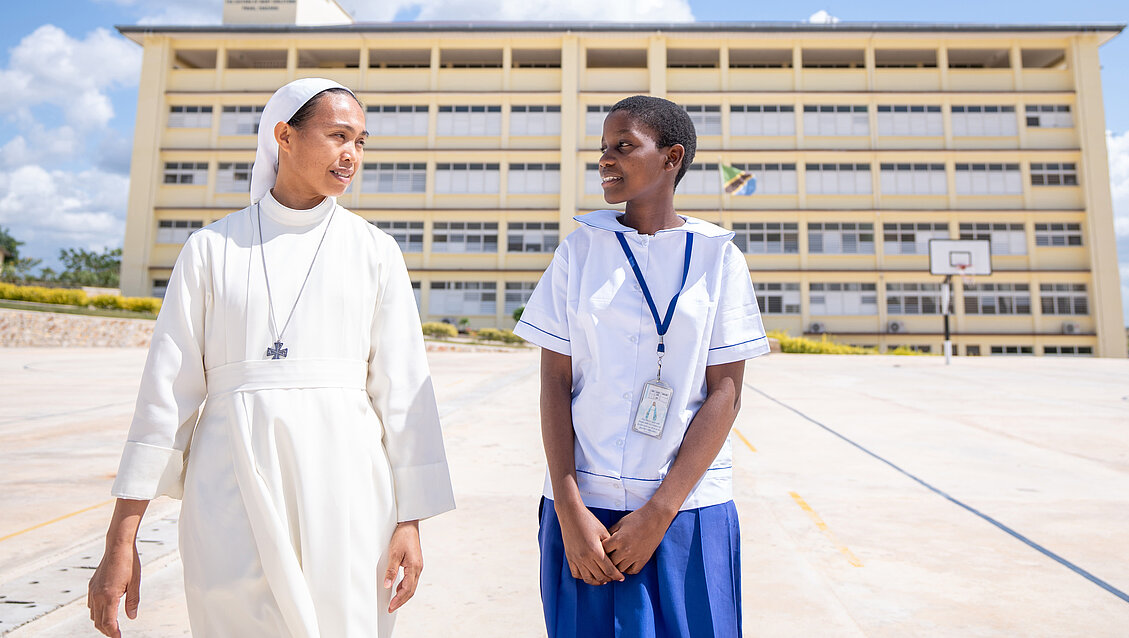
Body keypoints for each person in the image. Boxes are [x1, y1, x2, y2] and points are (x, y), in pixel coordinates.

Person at [87, 78, 455, 638]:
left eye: (360, 141)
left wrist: (411, 522)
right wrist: (121, 540)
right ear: (284, 136)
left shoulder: (376, 252)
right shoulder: (211, 249)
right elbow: (164, 399)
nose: (352, 154)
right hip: (228, 487)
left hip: (349, 492)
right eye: (338, 136)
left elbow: (405, 395)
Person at [513, 95, 770, 638]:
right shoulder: (579, 252)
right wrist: (569, 511)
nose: (605, 159)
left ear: (672, 157)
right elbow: (555, 383)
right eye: (604, 147)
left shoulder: (719, 258)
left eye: (624, 146)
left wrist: (659, 513)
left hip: (686, 511)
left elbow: (725, 393)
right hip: (585, 514)